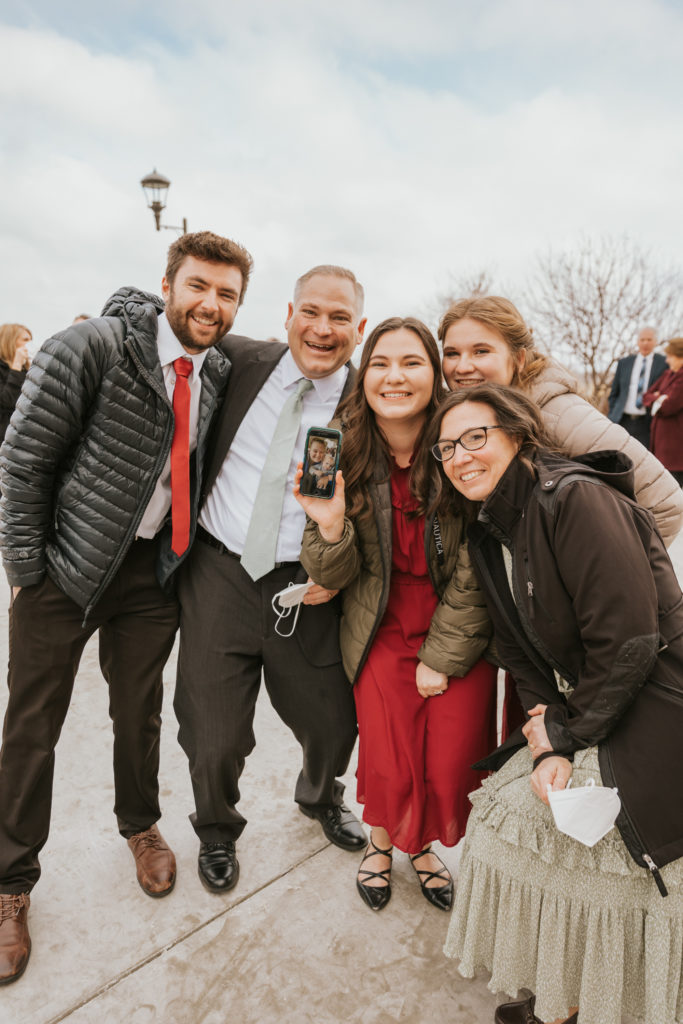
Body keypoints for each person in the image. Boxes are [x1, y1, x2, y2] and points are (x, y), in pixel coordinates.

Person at [0, 230, 251, 984]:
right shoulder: (94, 345)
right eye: (198, 286)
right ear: (167, 283)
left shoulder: (219, 373)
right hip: (65, 568)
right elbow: (22, 458)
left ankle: (140, 826)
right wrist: (23, 566)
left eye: (227, 293)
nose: (210, 304)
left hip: (151, 574)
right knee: (32, 723)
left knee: (138, 710)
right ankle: (11, 884)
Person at [427, 384, 683, 1024]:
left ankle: (582, 1005)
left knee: (588, 842)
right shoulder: (490, 533)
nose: (460, 457)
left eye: (476, 437)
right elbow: (519, 653)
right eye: (447, 447)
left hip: (660, 697)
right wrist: (545, 734)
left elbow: (631, 641)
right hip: (592, 701)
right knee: (504, 819)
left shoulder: (576, 500)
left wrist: (566, 738)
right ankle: (566, 990)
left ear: (518, 436)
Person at [174, 265, 367, 896]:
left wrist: (337, 566)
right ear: (288, 313)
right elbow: (164, 330)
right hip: (220, 570)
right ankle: (216, 830)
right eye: (311, 311)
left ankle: (319, 795)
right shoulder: (236, 361)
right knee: (213, 731)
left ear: (358, 329)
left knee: (333, 722)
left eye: (340, 317)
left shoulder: (368, 401)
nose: (322, 328)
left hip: (309, 584)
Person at [296, 317, 496, 913]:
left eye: (412, 362)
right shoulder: (335, 444)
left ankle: (425, 844)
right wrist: (329, 524)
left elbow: (479, 558)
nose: (394, 376)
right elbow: (330, 571)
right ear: (365, 374)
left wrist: (441, 655)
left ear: (435, 376)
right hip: (377, 617)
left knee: (450, 755)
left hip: (461, 616)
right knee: (389, 751)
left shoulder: (463, 440)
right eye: (381, 362)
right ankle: (382, 844)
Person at [440, 297, 683, 546]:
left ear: (519, 358)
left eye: (481, 351)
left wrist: (610, 576)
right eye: (452, 354)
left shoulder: (558, 414)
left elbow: (666, 504)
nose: (462, 367)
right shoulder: (475, 419)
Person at [608, 325, 666, 447]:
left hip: (647, 422)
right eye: (642, 339)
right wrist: (613, 413)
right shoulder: (624, 363)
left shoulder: (663, 363)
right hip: (622, 420)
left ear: (655, 342)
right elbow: (614, 393)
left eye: (649, 340)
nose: (645, 343)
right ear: (637, 341)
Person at [642, 337, 683, 486]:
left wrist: (660, 400)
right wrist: (658, 398)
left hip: (676, 450)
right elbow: (646, 396)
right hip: (660, 445)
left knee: (674, 490)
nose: (667, 360)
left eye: (670, 357)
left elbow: (669, 406)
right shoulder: (667, 374)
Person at [0, 324, 31, 444]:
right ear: (10, 341)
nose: (29, 344)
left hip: (19, 439)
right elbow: (6, 400)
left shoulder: (25, 370)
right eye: (25, 340)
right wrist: (16, 364)